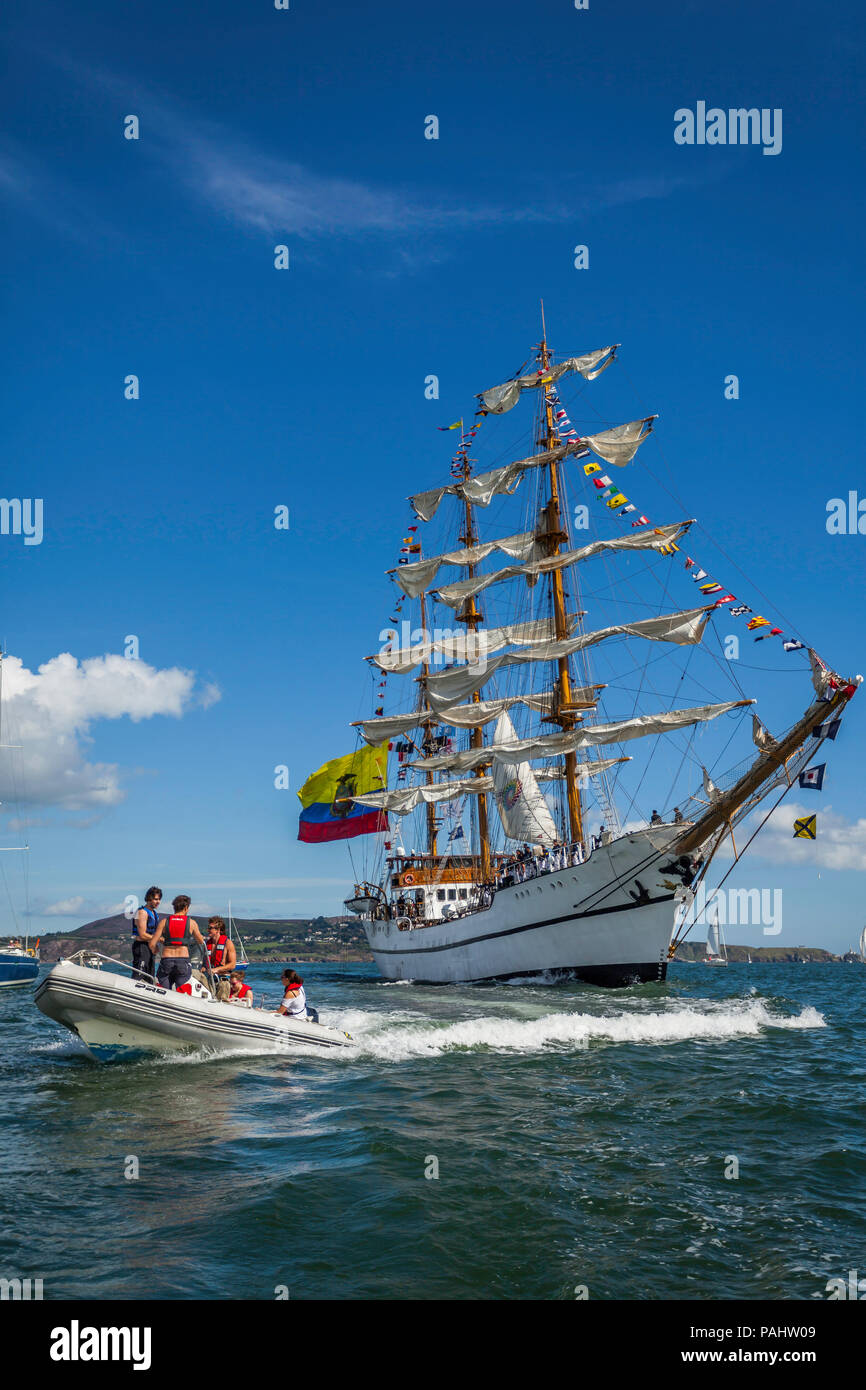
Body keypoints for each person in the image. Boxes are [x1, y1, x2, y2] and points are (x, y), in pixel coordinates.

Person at [150, 895, 206, 992]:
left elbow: (152, 943)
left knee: (163, 992)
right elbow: (200, 941)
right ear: (186, 908)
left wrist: (155, 950)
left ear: (174, 907)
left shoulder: (164, 922)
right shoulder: (191, 923)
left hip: (166, 960)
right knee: (182, 991)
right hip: (183, 961)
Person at [131, 886, 162, 982]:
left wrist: (154, 945)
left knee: (149, 976)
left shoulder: (154, 913)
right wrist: (159, 939)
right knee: (139, 975)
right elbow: (142, 935)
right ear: (149, 899)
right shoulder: (142, 912)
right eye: (156, 899)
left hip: (149, 947)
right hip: (141, 947)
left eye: (159, 899)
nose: (158, 902)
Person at [205, 917, 236, 994]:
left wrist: (216, 969)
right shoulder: (207, 944)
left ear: (218, 930)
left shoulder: (228, 943)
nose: (208, 930)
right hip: (209, 978)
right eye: (208, 928)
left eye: (210, 928)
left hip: (223, 979)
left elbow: (232, 965)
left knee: (223, 986)